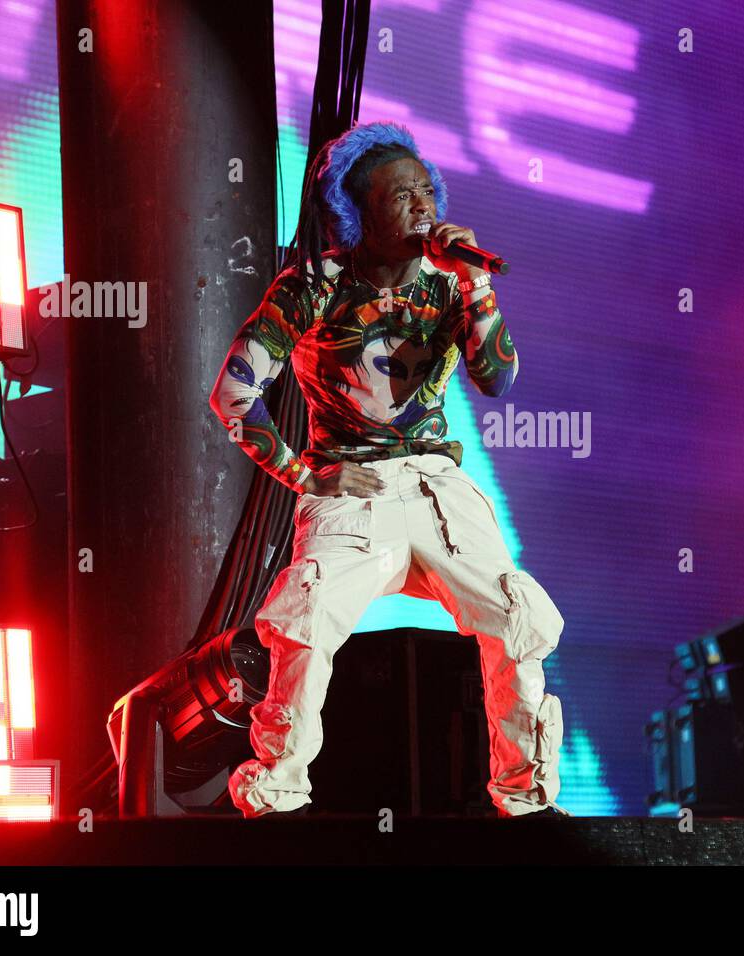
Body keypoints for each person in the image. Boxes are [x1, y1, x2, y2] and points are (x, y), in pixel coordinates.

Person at [208, 121, 567, 819]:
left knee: (514, 617)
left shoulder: (452, 285)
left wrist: (478, 288)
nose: (420, 204)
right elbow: (234, 394)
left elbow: (499, 378)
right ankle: (276, 794)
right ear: (356, 213)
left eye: (425, 189)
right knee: (307, 624)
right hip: (351, 489)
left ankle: (526, 798)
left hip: (436, 485)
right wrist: (306, 478)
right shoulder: (314, 286)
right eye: (398, 194)